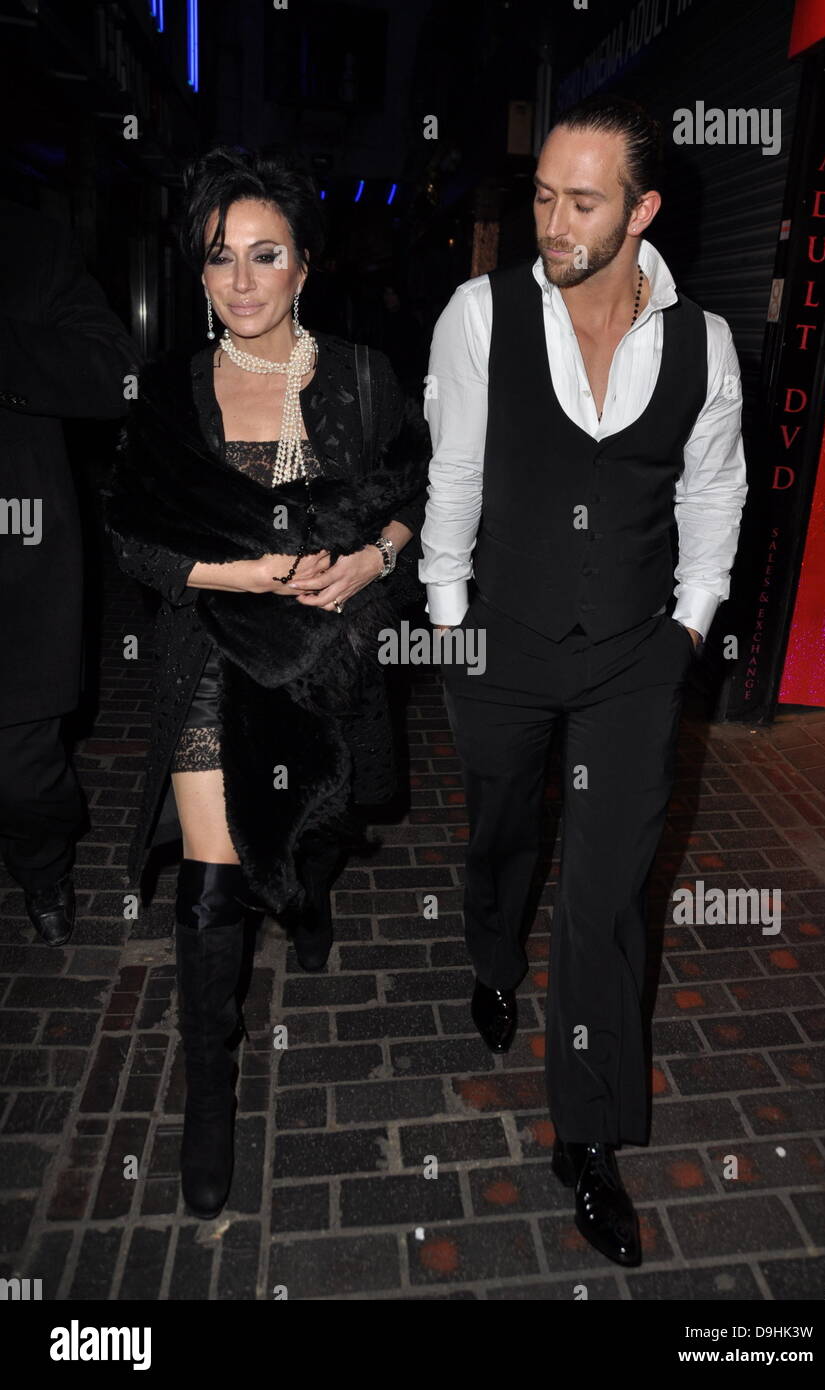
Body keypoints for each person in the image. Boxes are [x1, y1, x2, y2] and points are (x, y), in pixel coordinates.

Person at [420, 97, 748, 1267]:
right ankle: (490, 954)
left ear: (641, 209)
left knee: (605, 897)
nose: (552, 221)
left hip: (628, 659)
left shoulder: (703, 344)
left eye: (581, 200)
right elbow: (451, 475)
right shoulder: (480, 314)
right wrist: (450, 625)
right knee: (503, 835)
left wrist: (685, 627)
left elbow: (712, 491)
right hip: (498, 643)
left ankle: (589, 1133)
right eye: (542, 195)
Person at [105, 148, 430, 1220]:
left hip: (324, 655)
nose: (240, 281)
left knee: (311, 828)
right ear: (198, 276)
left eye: (264, 256)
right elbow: (134, 537)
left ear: (302, 267)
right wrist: (230, 572)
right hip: (210, 647)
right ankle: (209, 1095)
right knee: (214, 872)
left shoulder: (362, 374)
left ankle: (312, 882)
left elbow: (410, 491)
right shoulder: (167, 388)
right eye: (218, 260)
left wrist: (370, 561)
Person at [0, 200, 138, 946]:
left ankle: (44, 864)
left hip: (12, 573)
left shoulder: (30, 238)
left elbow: (114, 376)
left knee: (21, 774)